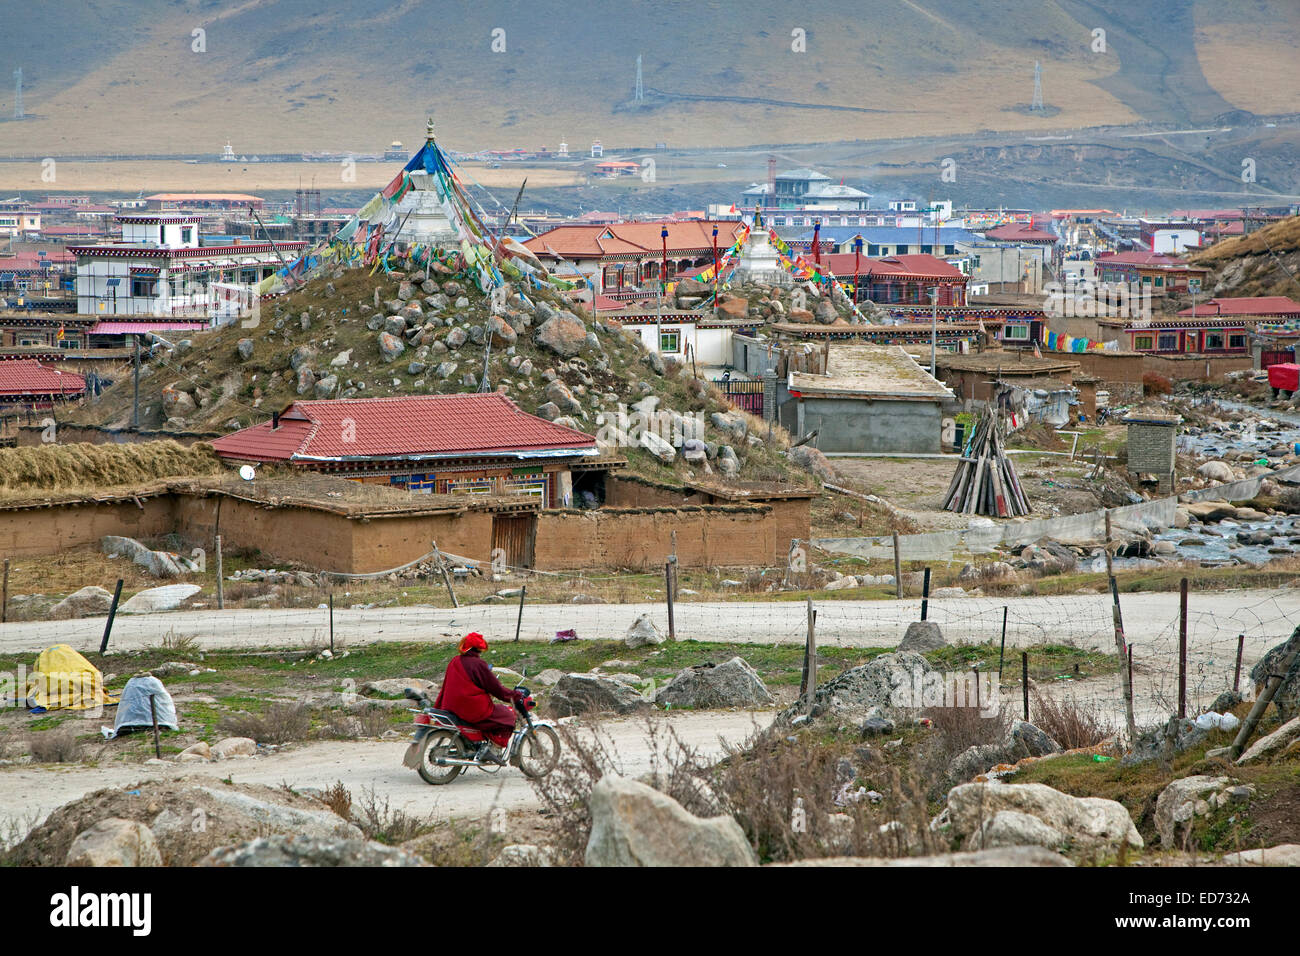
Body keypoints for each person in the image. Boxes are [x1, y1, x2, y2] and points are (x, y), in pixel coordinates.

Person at [434, 632, 525, 764]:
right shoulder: (478, 664)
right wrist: (514, 696)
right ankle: (493, 749)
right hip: (471, 709)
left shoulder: (455, 661)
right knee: (508, 716)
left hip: (450, 706)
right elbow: (497, 690)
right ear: (479, 649)